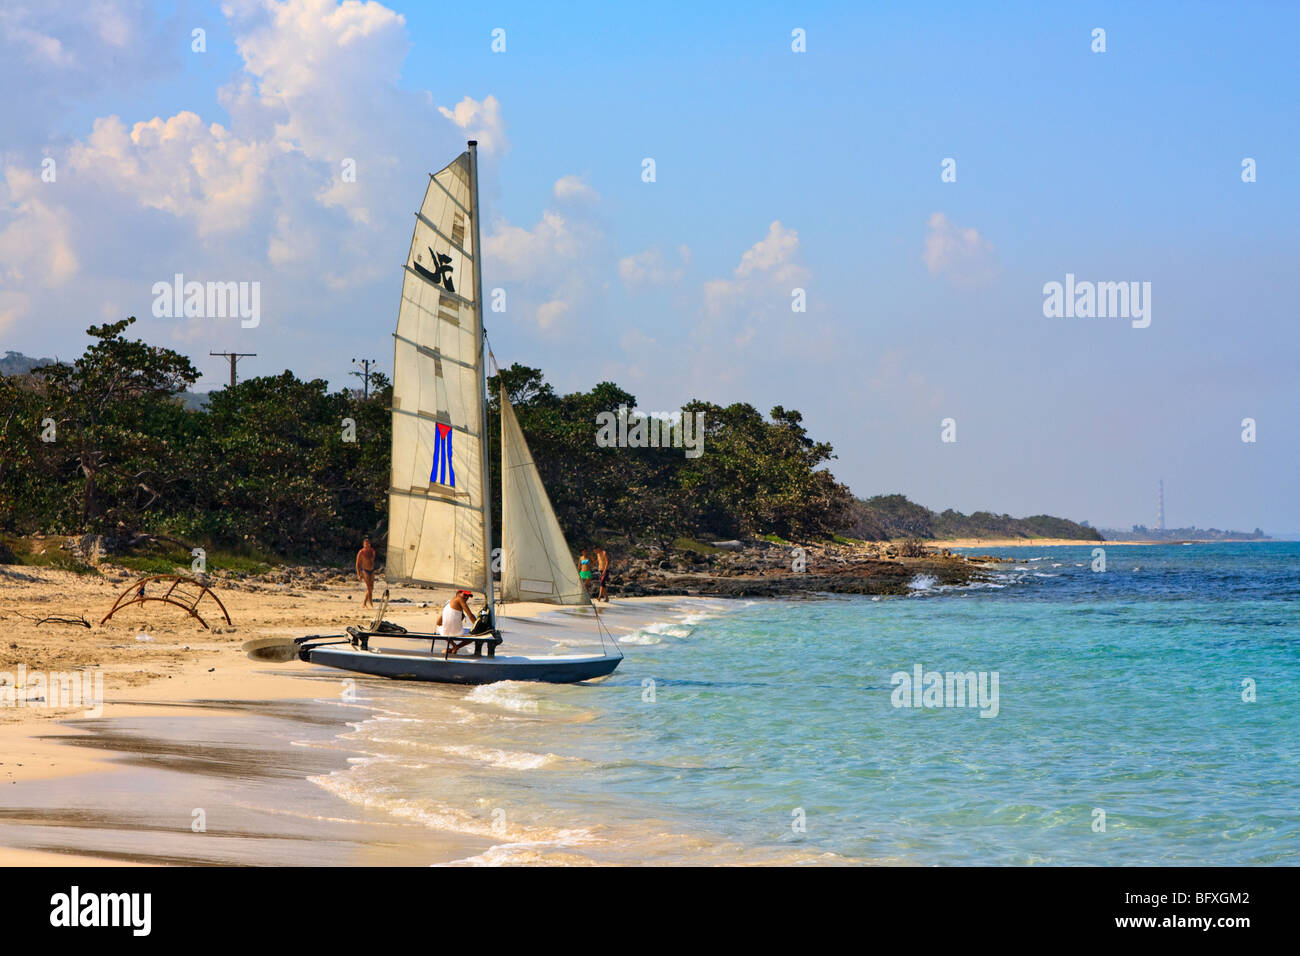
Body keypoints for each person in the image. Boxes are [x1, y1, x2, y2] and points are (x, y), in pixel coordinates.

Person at [355, 538, 376, 608]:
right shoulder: (361, 552)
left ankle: (364, 603)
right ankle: (370, 603)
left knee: (371, 588)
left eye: (368, 544)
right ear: (363, 545)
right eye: (365, 544)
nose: (367, 545)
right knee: (369, 588)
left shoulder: (372, 551)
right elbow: (357, 564)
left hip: (372, 570)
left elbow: (373, 561)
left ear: (370, 544)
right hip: (364, 571)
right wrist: (358, 574)